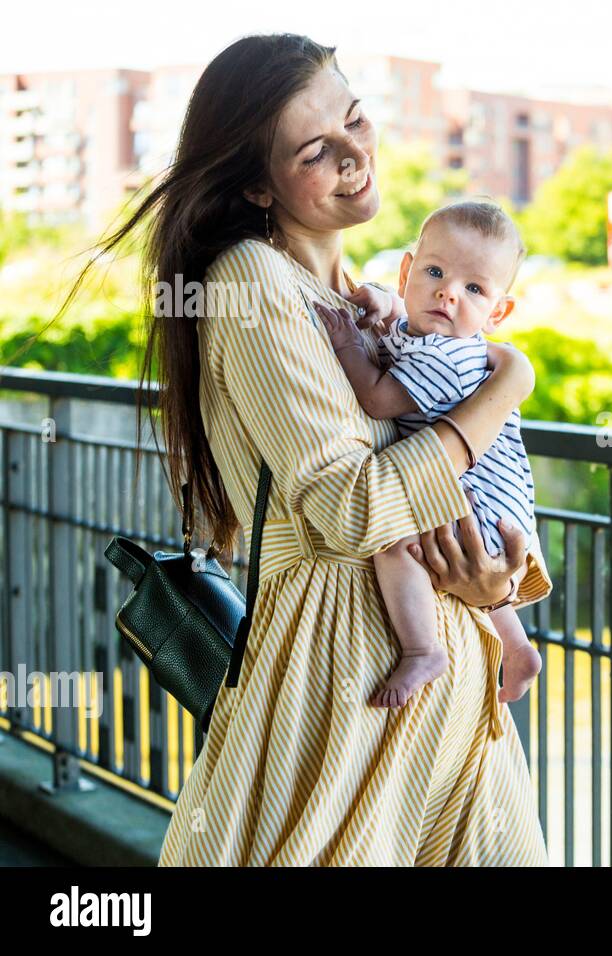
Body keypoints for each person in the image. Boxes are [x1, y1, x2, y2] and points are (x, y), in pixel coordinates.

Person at [70, 33, 552, 865]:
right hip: (346, 681)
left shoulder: (365, 293)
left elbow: (441, 492)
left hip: (439, 700)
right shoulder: (250, 281)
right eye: (315, 150)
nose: (354, 155)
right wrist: (506, 388)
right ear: (257, 182)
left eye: (356, 122)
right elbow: (351, 504)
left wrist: (491, 587)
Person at [316, 199, 543, 709]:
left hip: (480, 500)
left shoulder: (451, 355)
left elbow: (377, 397)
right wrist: (379, 306)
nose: (448, 293)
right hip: (497, 499)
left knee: (392, 539)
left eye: (474, 289)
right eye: (435, 272)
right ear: (406, 271)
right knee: (455, 555)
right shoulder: (422, 335)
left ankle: (423, 649)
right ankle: (516, 645)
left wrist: (347, 341)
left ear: (497, 312)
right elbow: (396, 332)